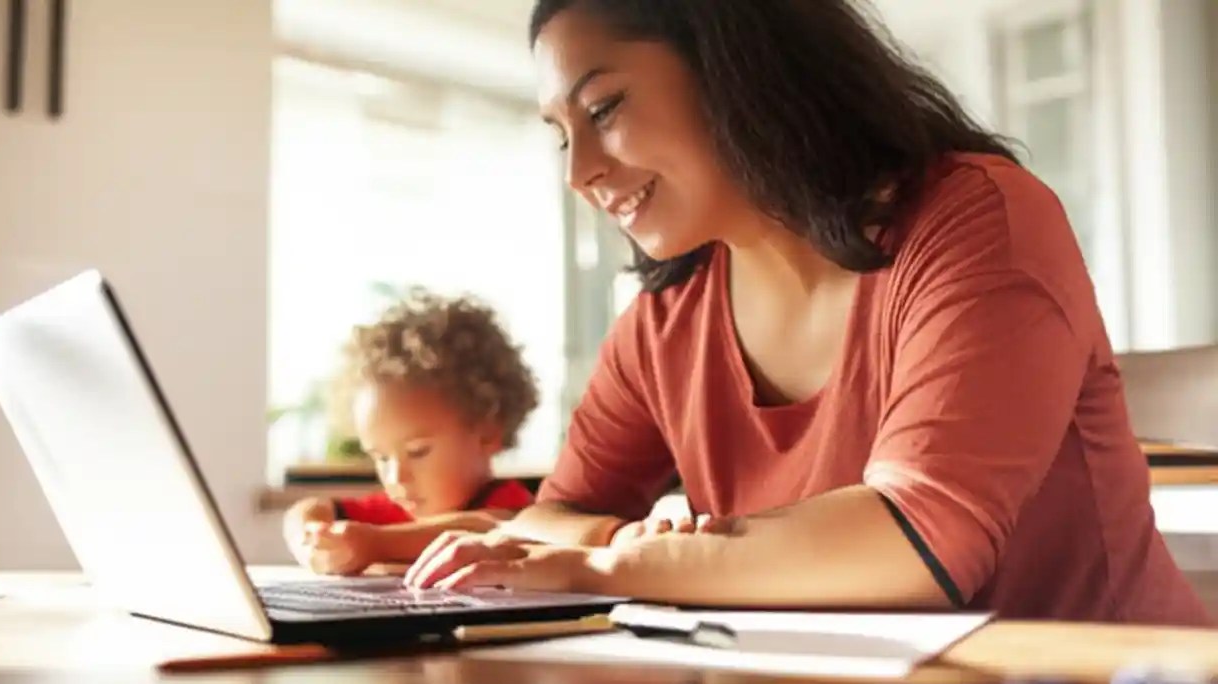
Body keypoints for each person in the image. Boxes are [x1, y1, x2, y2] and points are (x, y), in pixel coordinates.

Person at [403, 0, 1212, 626]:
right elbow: (556, 514)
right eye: (560, 134)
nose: (580, 171)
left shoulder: (978, 220)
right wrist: (617, 545)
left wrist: (604, 567)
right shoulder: (665, 318)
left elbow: (917, 542)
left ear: (732, 64)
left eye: (605, 108)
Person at [284, 291, 539, 575]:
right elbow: (312, 509)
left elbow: (486, 529)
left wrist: (375, 544)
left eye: (418, 452)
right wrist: (310, 535)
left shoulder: (512, 507)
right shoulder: (394, 511)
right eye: (381, 457)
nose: (396, 478)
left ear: (487, 433)